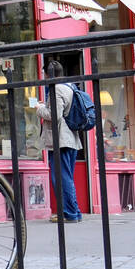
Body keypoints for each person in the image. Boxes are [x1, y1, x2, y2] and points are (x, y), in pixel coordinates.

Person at [36, 61, 83, 223]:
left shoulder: (56, 89)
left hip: (61, 141)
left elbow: (54, 115)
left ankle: (69, 213)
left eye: (45, 74)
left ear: (49, 74)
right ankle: (74, 211)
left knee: (62, 178)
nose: (43, 77)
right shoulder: (71, 87)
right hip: (71, 139)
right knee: (67, 177)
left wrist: (39, 108)